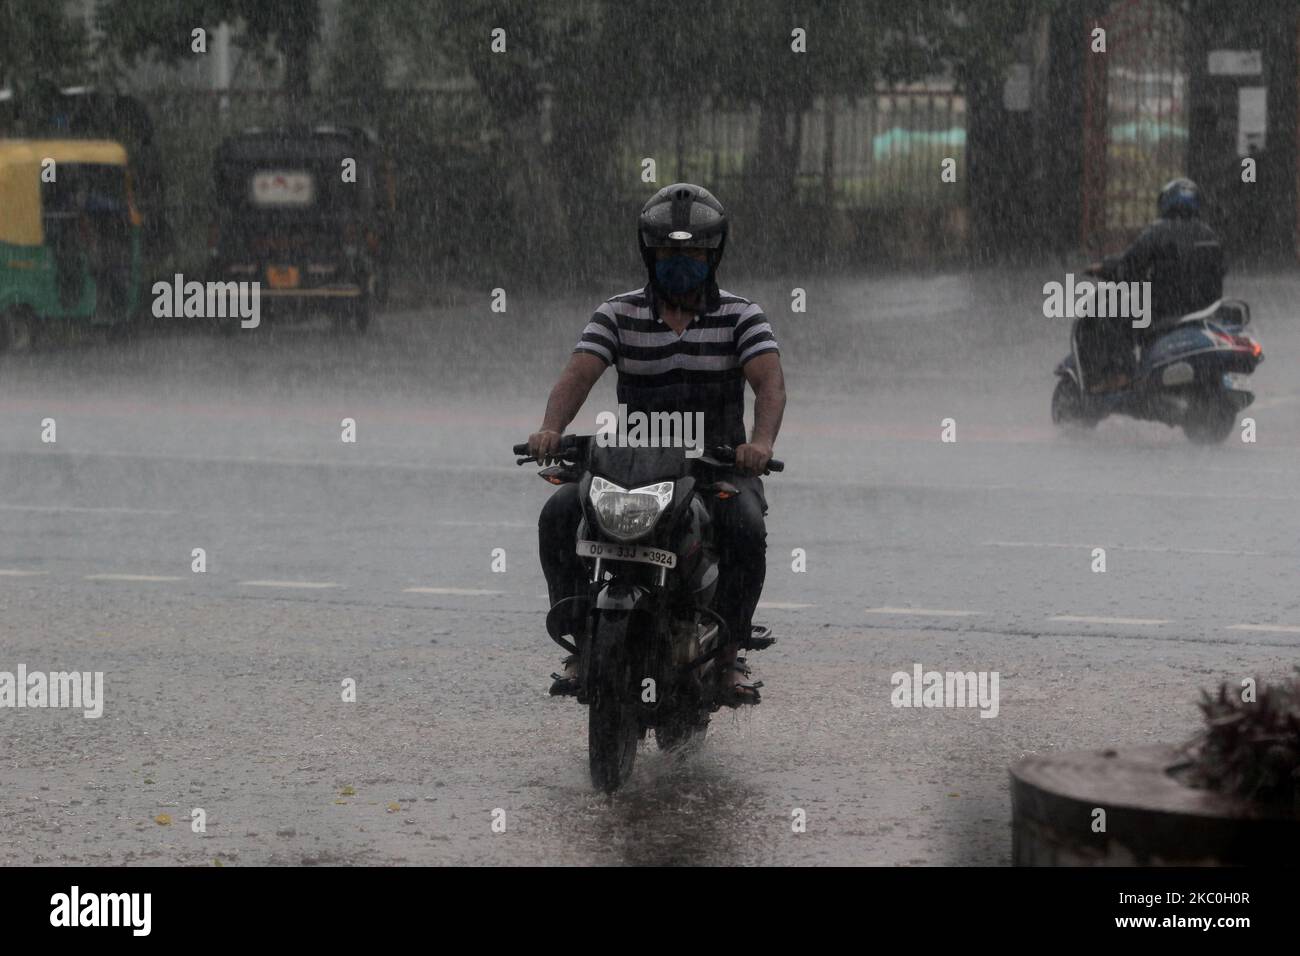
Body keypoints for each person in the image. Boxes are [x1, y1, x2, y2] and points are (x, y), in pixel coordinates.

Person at [528, 183, 786, 706]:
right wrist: (550, 428)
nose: (681, 262)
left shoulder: (742, 316)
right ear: (650, 253)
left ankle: (729, 650)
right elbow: (577, 376)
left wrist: (758, 443)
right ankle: (581, 644)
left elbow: (769, 385)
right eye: (669, 252)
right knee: (558, 513)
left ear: (713, 255)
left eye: (692, 252)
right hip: (631, 462)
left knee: (746, 526)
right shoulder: (617, 313)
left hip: (717, 466)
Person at [1077, 177, 1225, 392]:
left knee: (1106, 316)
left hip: (1162, 308)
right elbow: (1221, 271)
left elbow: (1129, 266)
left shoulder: (1157, 231)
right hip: (1202, 308)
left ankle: (1118, 374)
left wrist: (1105, 268)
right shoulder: (1210, 235)